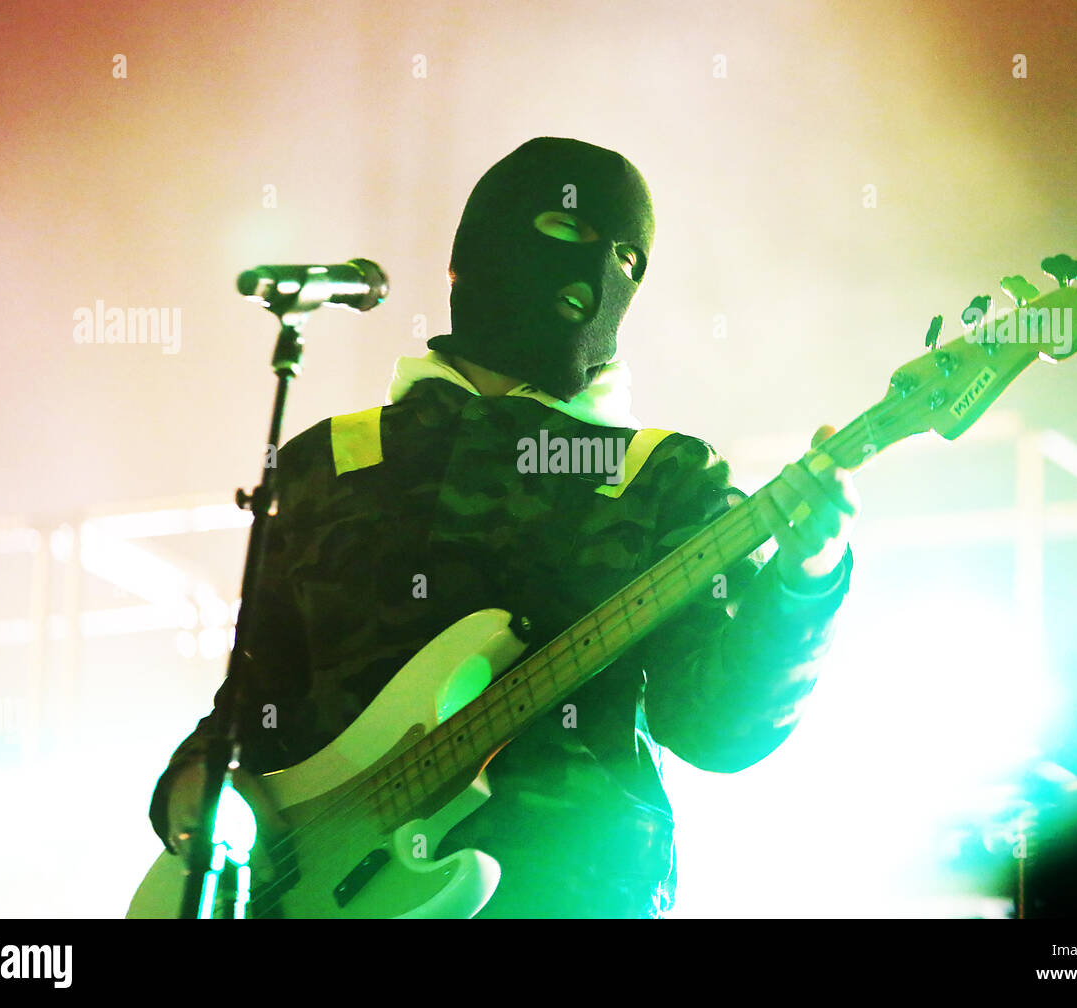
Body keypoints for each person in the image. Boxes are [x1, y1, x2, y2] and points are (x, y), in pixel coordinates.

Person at [149, 136, 859, 917]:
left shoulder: (665, 476)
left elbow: (717, 729)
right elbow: (259, 702)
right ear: (480, 251)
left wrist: (808, 581)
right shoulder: (334, 463)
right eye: (567, 233)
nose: (599, 275)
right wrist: (193, 783)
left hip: (569, 894)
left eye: (629, 260)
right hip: (322, 894)